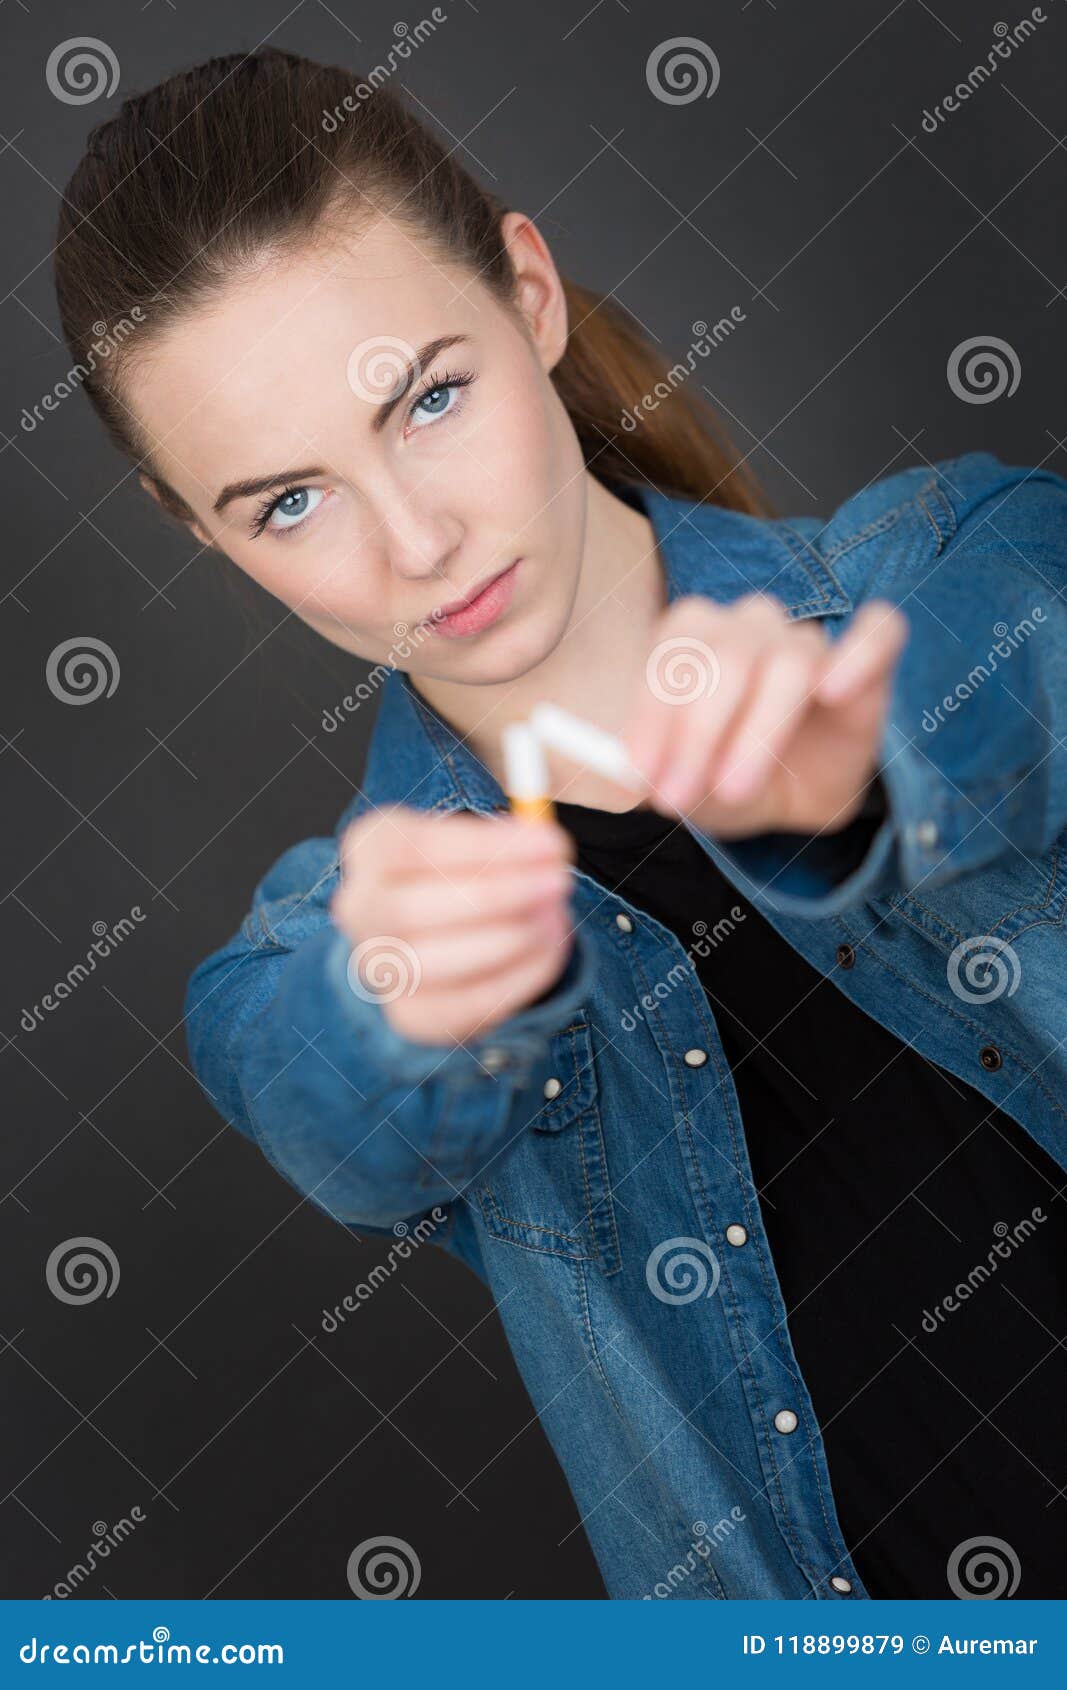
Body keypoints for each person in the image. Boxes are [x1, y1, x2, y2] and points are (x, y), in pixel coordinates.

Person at [53, 46, 1067, 1602]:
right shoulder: (306, 954)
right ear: (202, 533)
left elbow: (1032, 649)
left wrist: (863, 762)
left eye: (430, 399)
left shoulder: (948, 556)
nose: (416, 541)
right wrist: (397, 1002)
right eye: (288, 502)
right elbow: (336, 1098)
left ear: (530, 291)